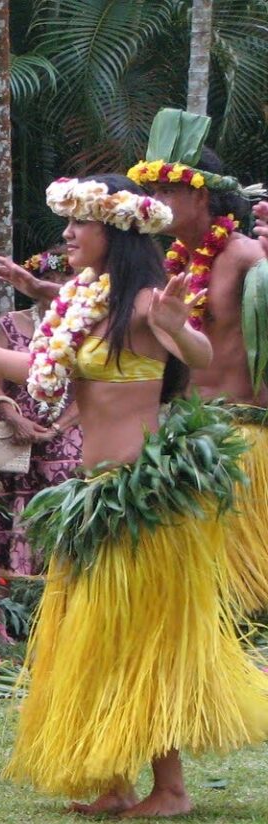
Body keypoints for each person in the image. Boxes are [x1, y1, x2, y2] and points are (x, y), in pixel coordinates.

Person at [0, 174, 268, 818]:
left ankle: (171, 790)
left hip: (146, 502)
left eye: (81, 224)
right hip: (96, 495)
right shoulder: (82, 297)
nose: (68, 236)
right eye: (69, 223)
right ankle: (117, 783)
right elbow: (40, 368)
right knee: (94, 636)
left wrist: (174, 325)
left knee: (142, 637)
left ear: (116, 231)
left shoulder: (143, 305)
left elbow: (197, 347)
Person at [127, 108, 268, 613]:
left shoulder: (247, 258)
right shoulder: (176, 263)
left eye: (167, 193)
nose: (155, 204)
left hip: (241, 436)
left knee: (243, 583)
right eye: (153, 193)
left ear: (201, 196)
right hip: (188, 432)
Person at [0, 249, 83, 590]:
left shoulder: (85, 329)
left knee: (58, 508)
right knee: (5, 507)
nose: (57, 285)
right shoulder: (11, 323)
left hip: (67, 435)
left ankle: (56, 592)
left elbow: (93, 389)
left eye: (65, 279)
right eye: (52, 278)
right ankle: (4, 597)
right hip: (14, 434)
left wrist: (58, 428)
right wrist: (13, 417)